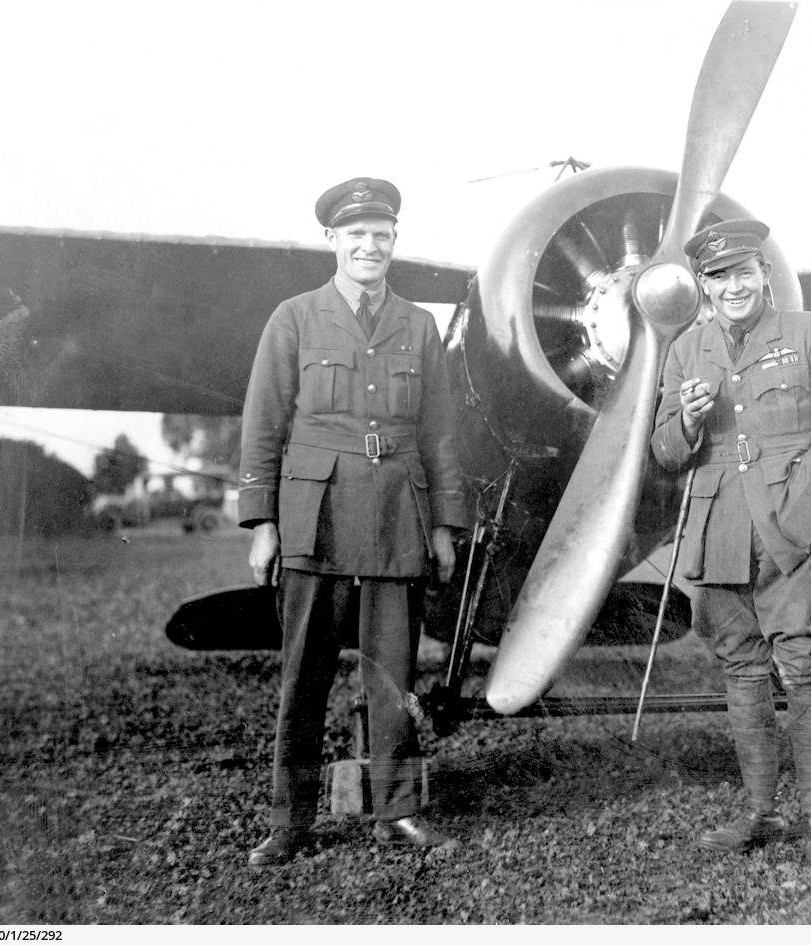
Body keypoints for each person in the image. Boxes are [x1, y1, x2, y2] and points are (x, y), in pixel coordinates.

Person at [238, 177, 467, 867]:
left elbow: (440, 436)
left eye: (382, 236)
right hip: (319, 515)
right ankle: (290, 820)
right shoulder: (295, 318)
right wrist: (263, 522)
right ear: (332, 241)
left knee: (391, 675)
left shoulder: (419, 325)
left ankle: (396, 811)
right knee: (304, 676)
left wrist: (444, 524)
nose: (370, 247)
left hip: (399, 514)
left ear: (394, 243)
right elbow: (263, 424)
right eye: (356, 235)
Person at [650, 219, 811, 865]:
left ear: (764, 274)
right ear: (702, 283)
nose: (733, 286)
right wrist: (690, 419)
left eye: (744, 272)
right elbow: (665, 451)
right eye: (718, 276)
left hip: (793, 524)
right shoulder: (685, 349)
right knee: (742, 672)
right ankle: (759, 812)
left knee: (805, 669)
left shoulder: (809, 332)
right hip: (717, 526)